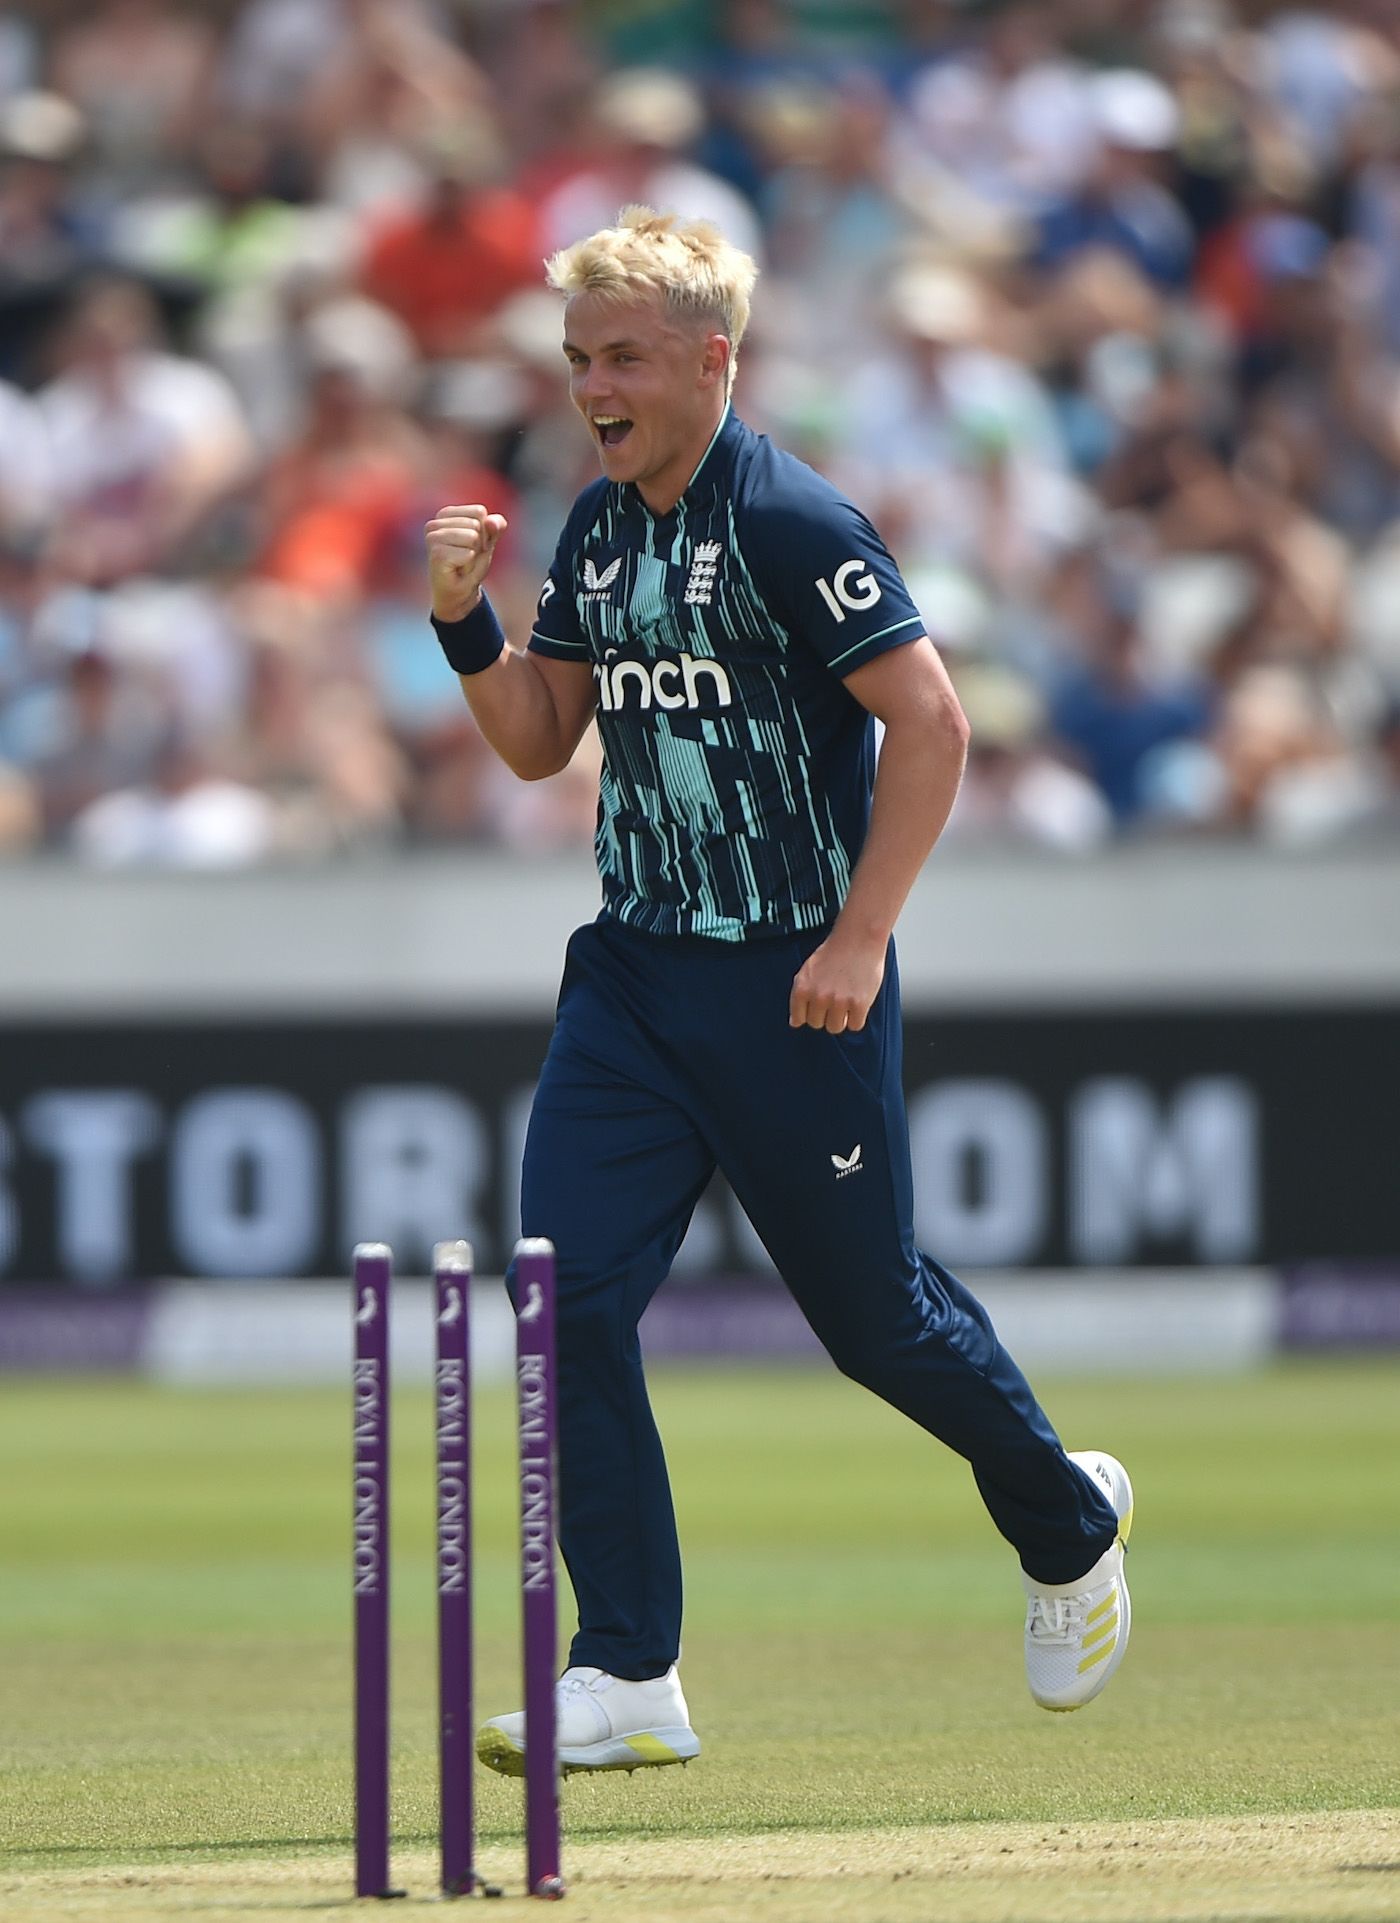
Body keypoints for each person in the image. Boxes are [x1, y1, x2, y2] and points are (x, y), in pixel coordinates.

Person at [423, 207, 1134, 1773]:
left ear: (710, 360)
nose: (591, 386)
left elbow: (932, 726)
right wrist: (467, 624)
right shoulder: (600, 529)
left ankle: (1069, 1520)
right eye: (577, 359)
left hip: (794, 981)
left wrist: (862, 937)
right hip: (632, 971)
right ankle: (627, 1673)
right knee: (559, 1306)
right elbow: (546, 740)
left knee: (875, 1323)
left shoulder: (796, 521)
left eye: (622, 358)